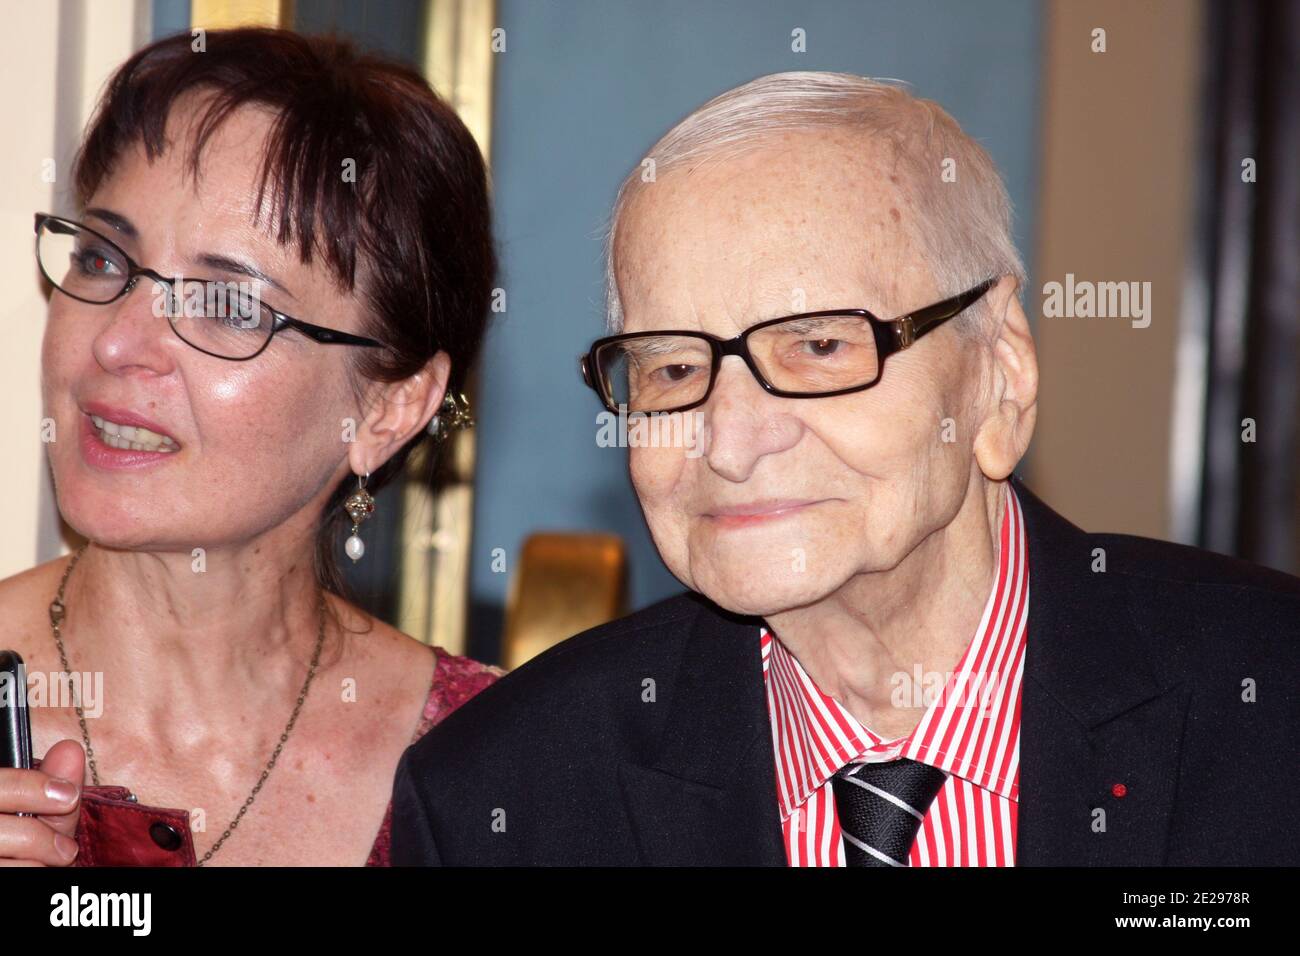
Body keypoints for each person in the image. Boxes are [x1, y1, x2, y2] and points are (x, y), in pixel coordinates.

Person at [392, 71, 1300, 866]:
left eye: (821, 345)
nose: (731, 440)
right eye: (672, 366)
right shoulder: (508, 799)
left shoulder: (1271, 704)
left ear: (1001, 375)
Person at [0, 27, 502, 867]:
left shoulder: (500, 769)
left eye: (230, 306)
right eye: (102, 257)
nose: (120, 342)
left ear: (389, 406)